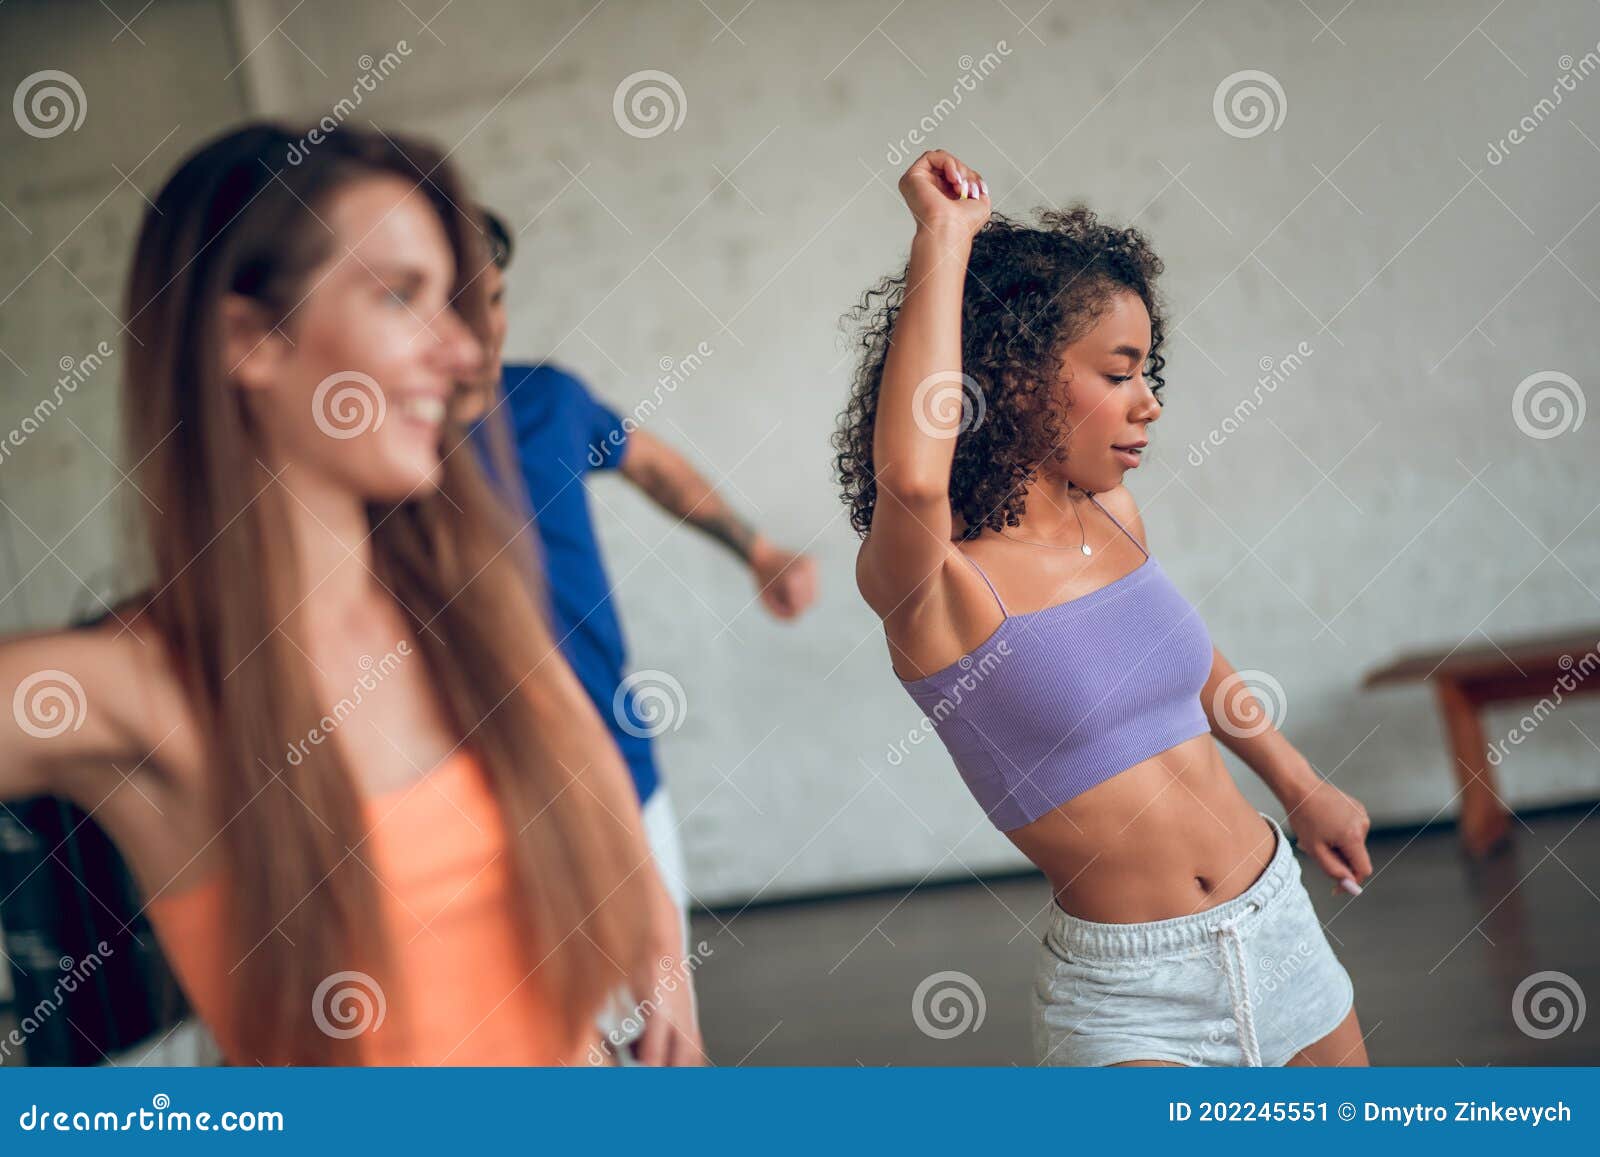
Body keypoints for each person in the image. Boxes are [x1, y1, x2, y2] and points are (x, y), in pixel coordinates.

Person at [0, 121, 699, 1066]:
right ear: (249, 340)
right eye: (400, 297)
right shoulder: (132, 689)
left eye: (453, 302)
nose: (462, 352)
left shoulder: (469, 610)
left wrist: (666, 981)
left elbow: (603, 792)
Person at [835, 149, 1373, 1068]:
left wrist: (1299, 783)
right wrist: (944, 235)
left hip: (1277, 917)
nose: (1150, 403)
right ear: (1011, 380)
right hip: (1133, 997)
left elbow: (1187, 665)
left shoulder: (1111, 517)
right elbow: (914, 477)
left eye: (1146, 370)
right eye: (1119, 373)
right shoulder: (935, 590)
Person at [461, 208, 820, 949]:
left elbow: (651, 465)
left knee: (658, 1032)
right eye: (454, 302)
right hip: (475, 787)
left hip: (616, 759)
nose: (486, 326)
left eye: (493, 298)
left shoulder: (549, 399)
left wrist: (753, 549)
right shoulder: (370, 444)